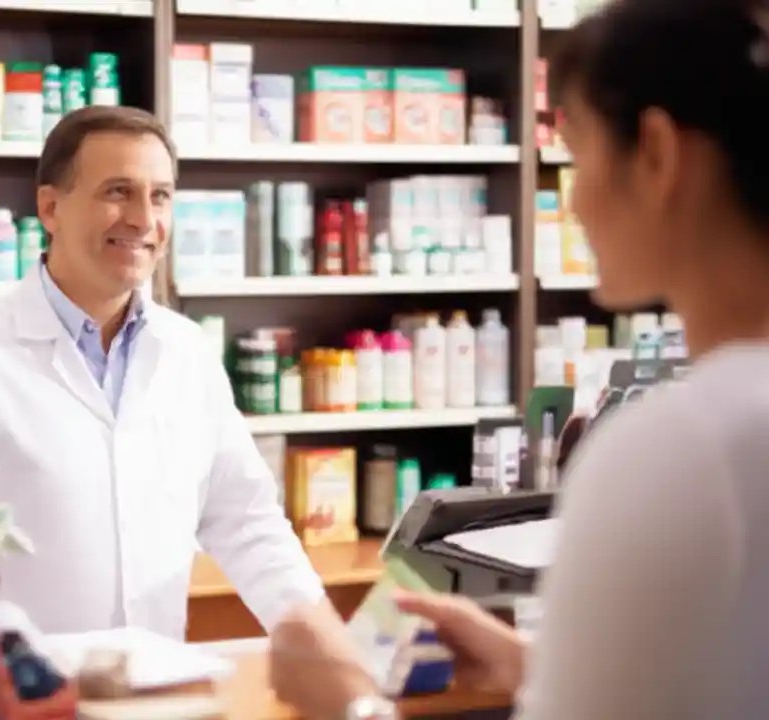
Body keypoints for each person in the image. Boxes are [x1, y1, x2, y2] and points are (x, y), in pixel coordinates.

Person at [269, 0, 769, 717]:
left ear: (657, 154)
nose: (574, 205)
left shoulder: (684, 446)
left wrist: (348, 703)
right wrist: (533, 665)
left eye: (578, 158)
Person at [0, 106, 323, 638]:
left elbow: (247, 520)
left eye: (160, 195)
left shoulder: (188, 353)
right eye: (118, 191)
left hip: (153, 688)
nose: (144, 219)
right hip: (28, 697)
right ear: (50, 208)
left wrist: (320, 637)